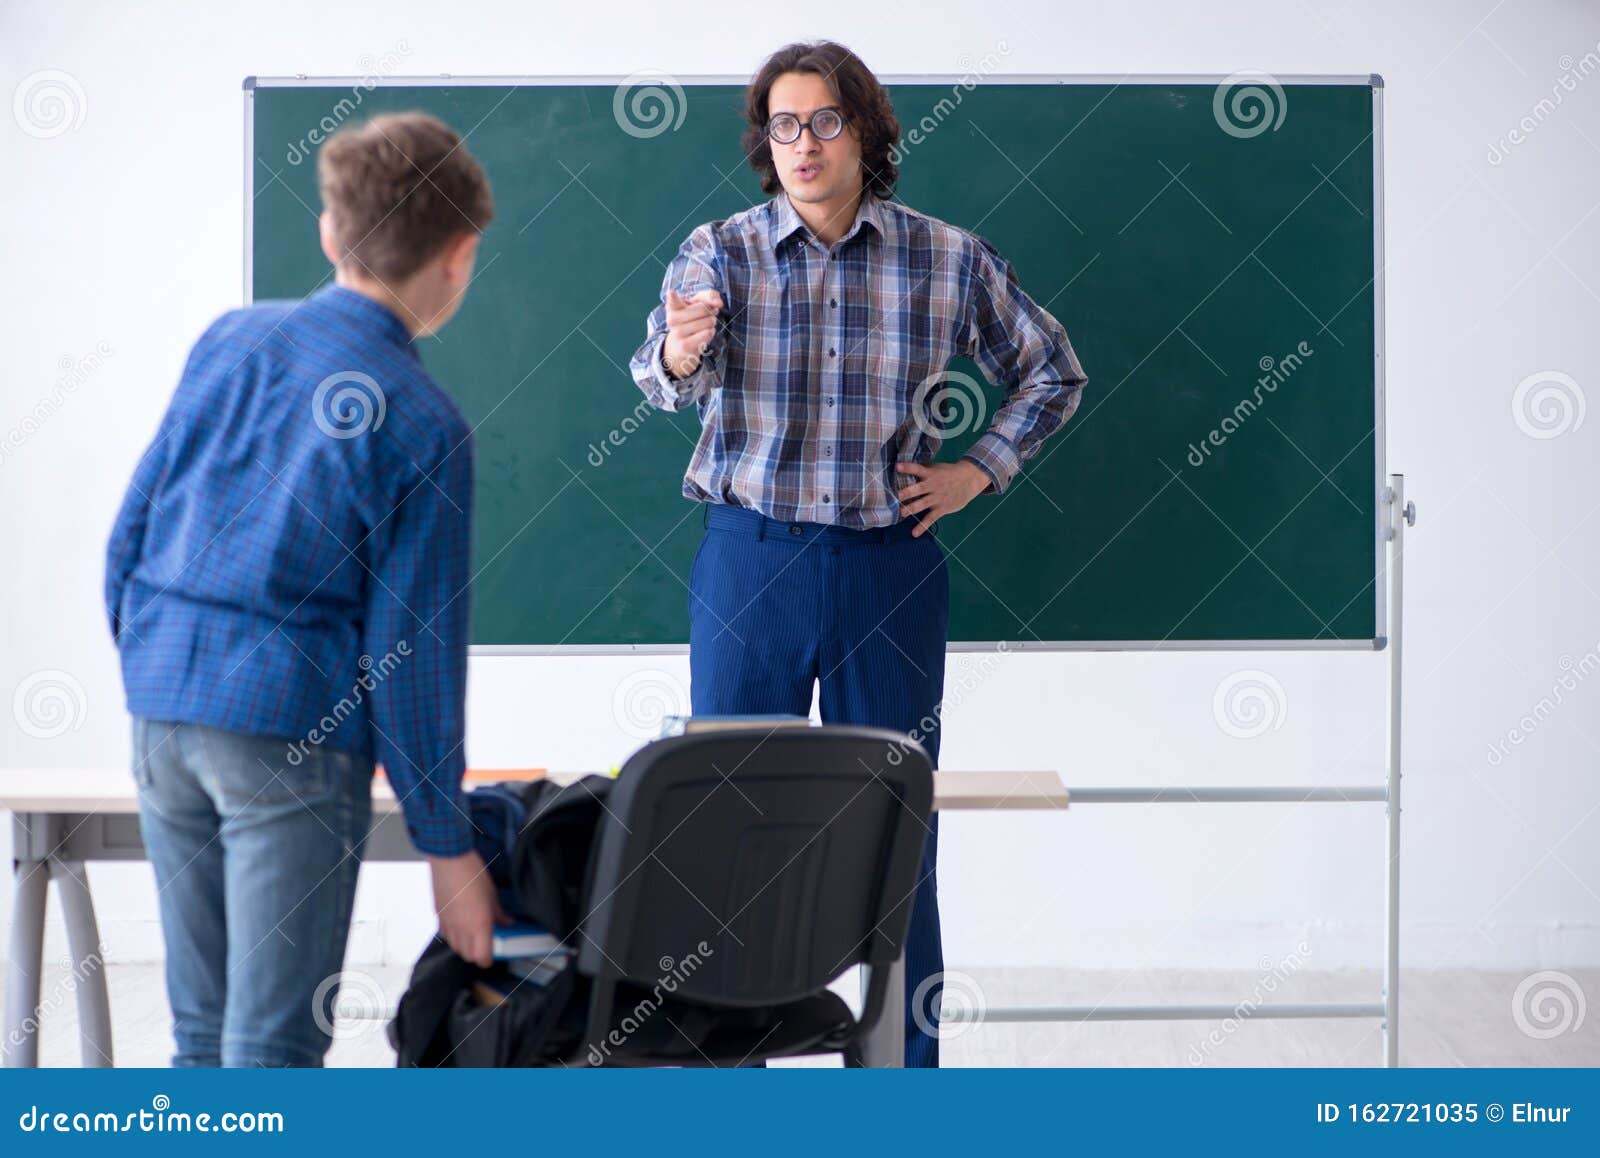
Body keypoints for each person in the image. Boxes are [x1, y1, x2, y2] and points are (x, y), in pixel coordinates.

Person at [628, 41, 1089, 1067]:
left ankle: (900, 1085)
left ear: (867, 133)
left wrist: (980, 470)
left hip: (890, 566)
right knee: (725, 833)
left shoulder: (948, 257)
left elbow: (1053, 372)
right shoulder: (721, 251)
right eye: (782, 125)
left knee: (895, 828)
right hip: (752, 563)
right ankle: (724, 1070)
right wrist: (678, 350)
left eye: (823, 121)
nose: (800, 144)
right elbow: (658, 381)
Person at [105, 112, 502, 1067]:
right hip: (290, 733)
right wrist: (448, 847)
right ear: (458, 257)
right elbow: (410, 659)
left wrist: (163, 677)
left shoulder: (229, 340)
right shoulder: (426, 424)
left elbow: (130, 539)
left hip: (162, 712)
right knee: (274, 1049)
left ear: (330, 232)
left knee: (201, 1032)